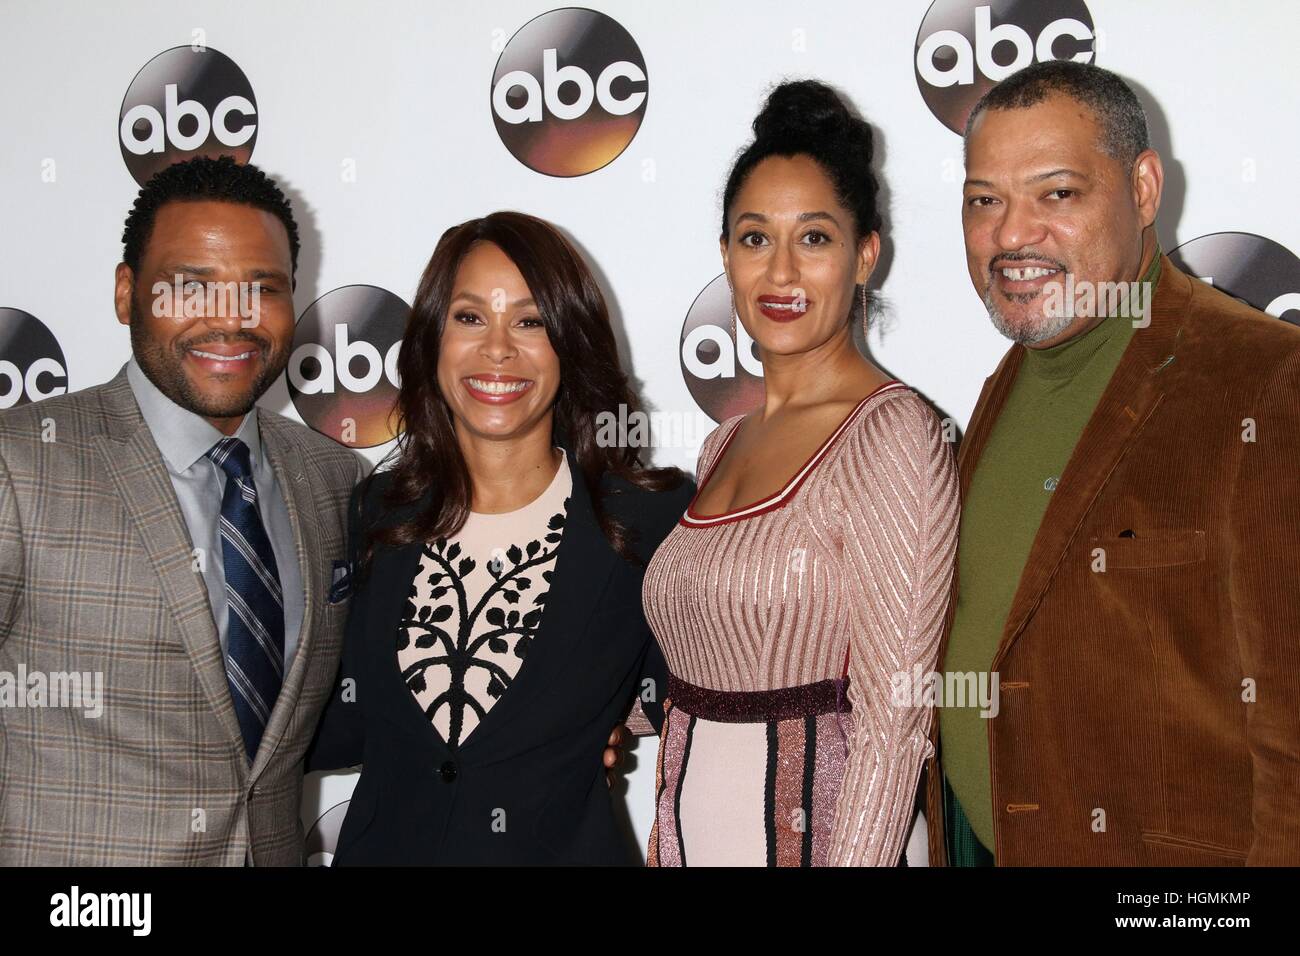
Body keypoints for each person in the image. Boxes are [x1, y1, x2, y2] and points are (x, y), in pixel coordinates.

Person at [931, 60, 1300, 866]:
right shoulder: (1010, 381)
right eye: (984, 200)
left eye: (1056, 194)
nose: (1012, 235)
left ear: (1142, 189)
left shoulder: (1266, 380)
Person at [0, 156, 365, 864]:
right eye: (191, 287)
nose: (232, 321)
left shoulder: (333, 479)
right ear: (126, 293)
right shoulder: (20, 467)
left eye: (263, 288)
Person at [306, 211, 693, 865]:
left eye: (530, 320)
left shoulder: (644, 520)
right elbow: (341, 722)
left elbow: (694, 698)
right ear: (431, 337)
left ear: (568, 342)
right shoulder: (377, 511)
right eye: (469, 317)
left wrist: (590, 724)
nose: (498, 349)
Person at [641, 81, 959, 866]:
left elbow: (895, 721)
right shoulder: (723, 443)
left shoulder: (891, 434)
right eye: (755, 239)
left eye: (814, 238)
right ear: (726, 255)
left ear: (865, 256)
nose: (780, 270)